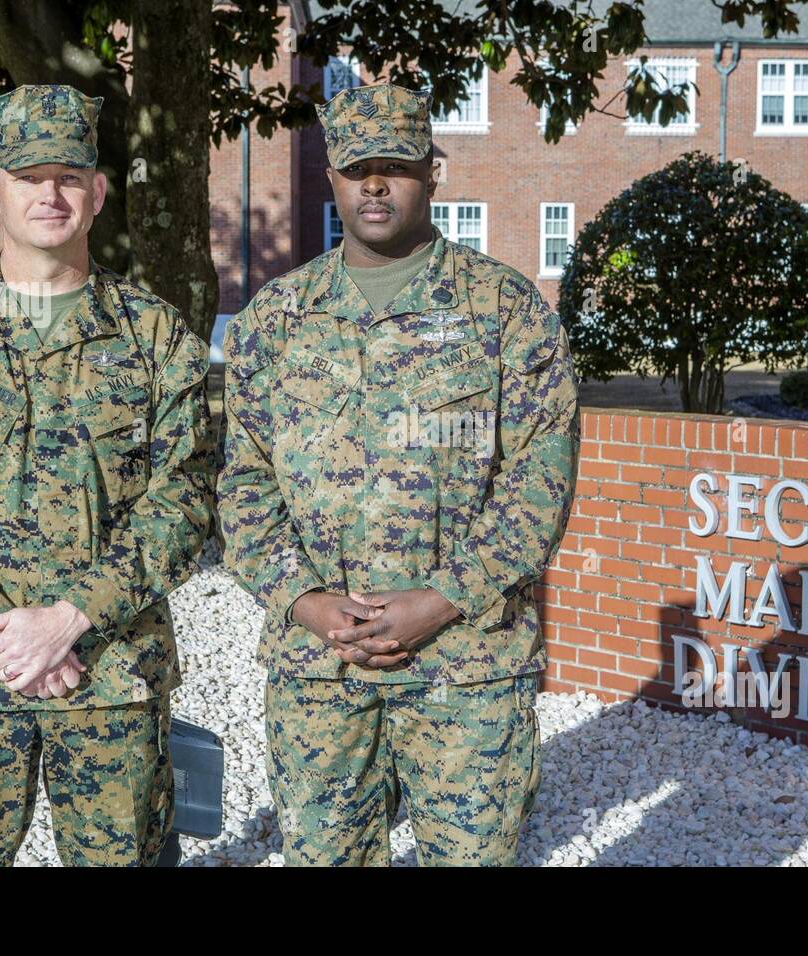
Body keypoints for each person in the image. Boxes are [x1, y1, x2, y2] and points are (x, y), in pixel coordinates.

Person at [216, 82, 580, 866]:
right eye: (357, 168)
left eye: (396, 166)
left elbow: (538, 486)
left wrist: (443, 597)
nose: (375, 185)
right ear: (335, 180)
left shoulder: (505, 312)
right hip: (320, 672)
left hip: (468, 667)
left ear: (433, 172)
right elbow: (243, 487)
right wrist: (302, 601)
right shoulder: (271, 324)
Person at [0, 83, 214, 866]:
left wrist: (70, 619)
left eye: (66, 176)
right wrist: (4, 639)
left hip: (111, 672)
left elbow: (185, 498)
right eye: (28, 177)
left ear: (96, 191)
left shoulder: (155, 336)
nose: (48, 195)